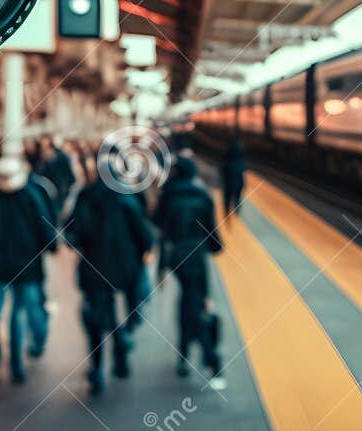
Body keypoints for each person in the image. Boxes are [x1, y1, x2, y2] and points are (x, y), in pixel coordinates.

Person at [66, 154, 154, 395]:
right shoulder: (127, 197)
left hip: (94, 270)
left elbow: (72, 233)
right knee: (118, 312)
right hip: (125, 268)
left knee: (95, 317)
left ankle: (96, 370)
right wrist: (142, 253)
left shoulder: (85, 197)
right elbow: (145, 235)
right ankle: (121, 350)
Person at [0, 157, 57, 389]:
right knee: (13, 316)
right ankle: (11, 365)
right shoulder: (31, 196)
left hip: (1, 267)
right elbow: (46, 229)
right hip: (19, 268)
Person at [155, 156, 227, 389]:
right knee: (200, 303)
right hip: (197, 256)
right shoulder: (202, 196)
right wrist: (215, 247)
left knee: (187, 300)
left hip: (178, 256)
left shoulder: (169, 195)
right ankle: (210, 360)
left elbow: (158, 223)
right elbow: (213, 237)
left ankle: (184, 355)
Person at [220, 138, 247, 218]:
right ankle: (237, 211)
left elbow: (222, 170)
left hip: (228, 183)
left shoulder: (226, 157)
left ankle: (226, 213)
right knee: (237, 197)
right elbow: (243, 170)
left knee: (227, 198)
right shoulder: (241, 158)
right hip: (239, 183)